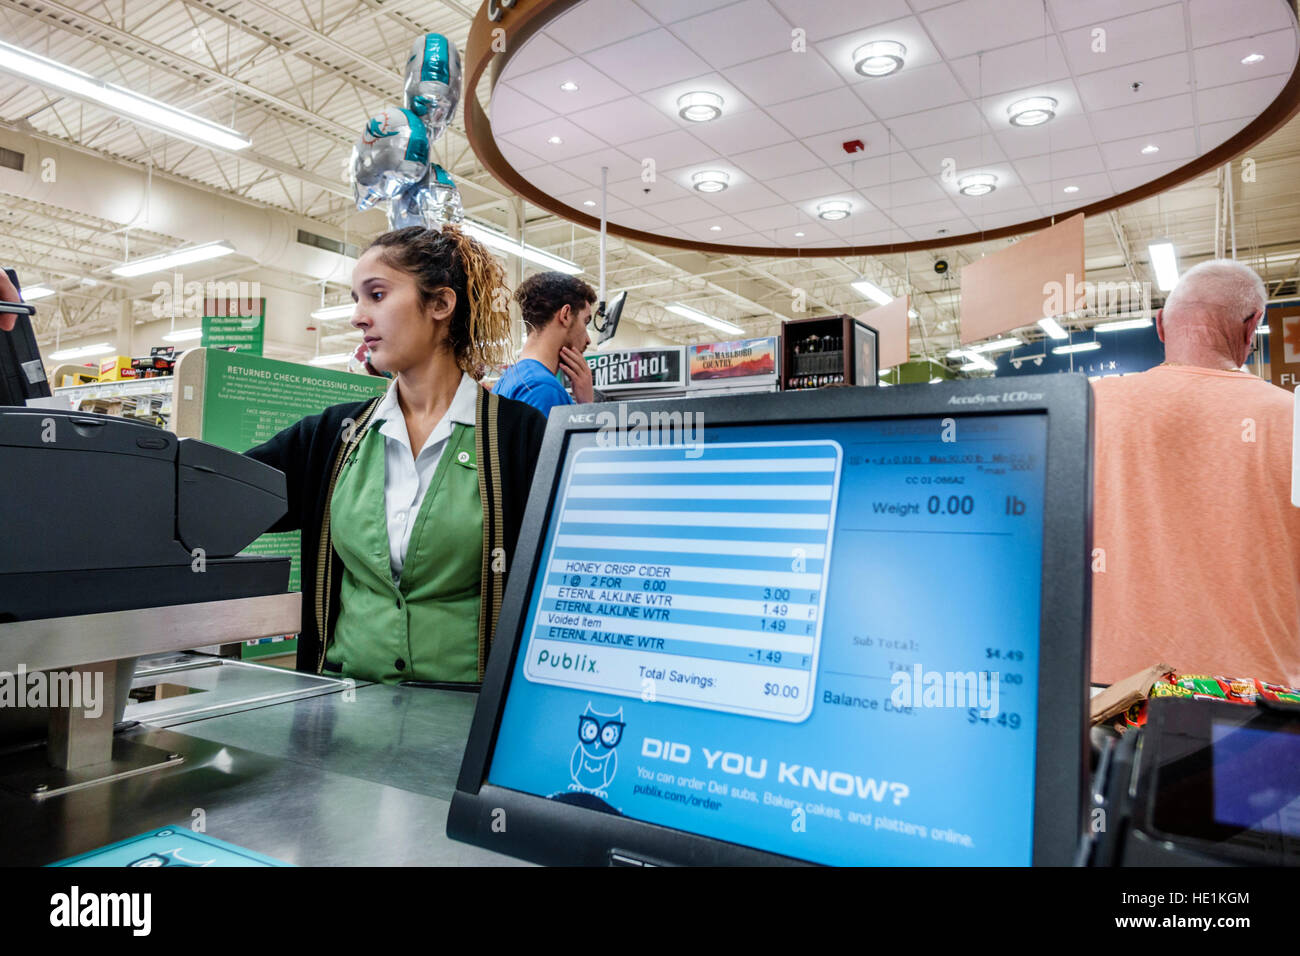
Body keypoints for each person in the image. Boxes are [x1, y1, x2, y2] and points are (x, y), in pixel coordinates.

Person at [245, 225, 546, 684]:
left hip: (468, 723)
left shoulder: (519, 438)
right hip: (343, 719)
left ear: (441, 305)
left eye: (377, 295)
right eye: (355, 299)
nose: (358, 318)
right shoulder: (332, 437)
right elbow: (221, 492)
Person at [1090, 259, 1300, 686]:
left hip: (1108, 695)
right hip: (1254, 701)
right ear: (1252, 326)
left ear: (1160, 325)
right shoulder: (1293, 419)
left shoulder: (1086, 405)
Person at [493, 271, 596, 415]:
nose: (588, 340)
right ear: (565, 315)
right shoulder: (543, 389)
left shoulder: (508, 379)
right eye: (585, 322)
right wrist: (587, 406)